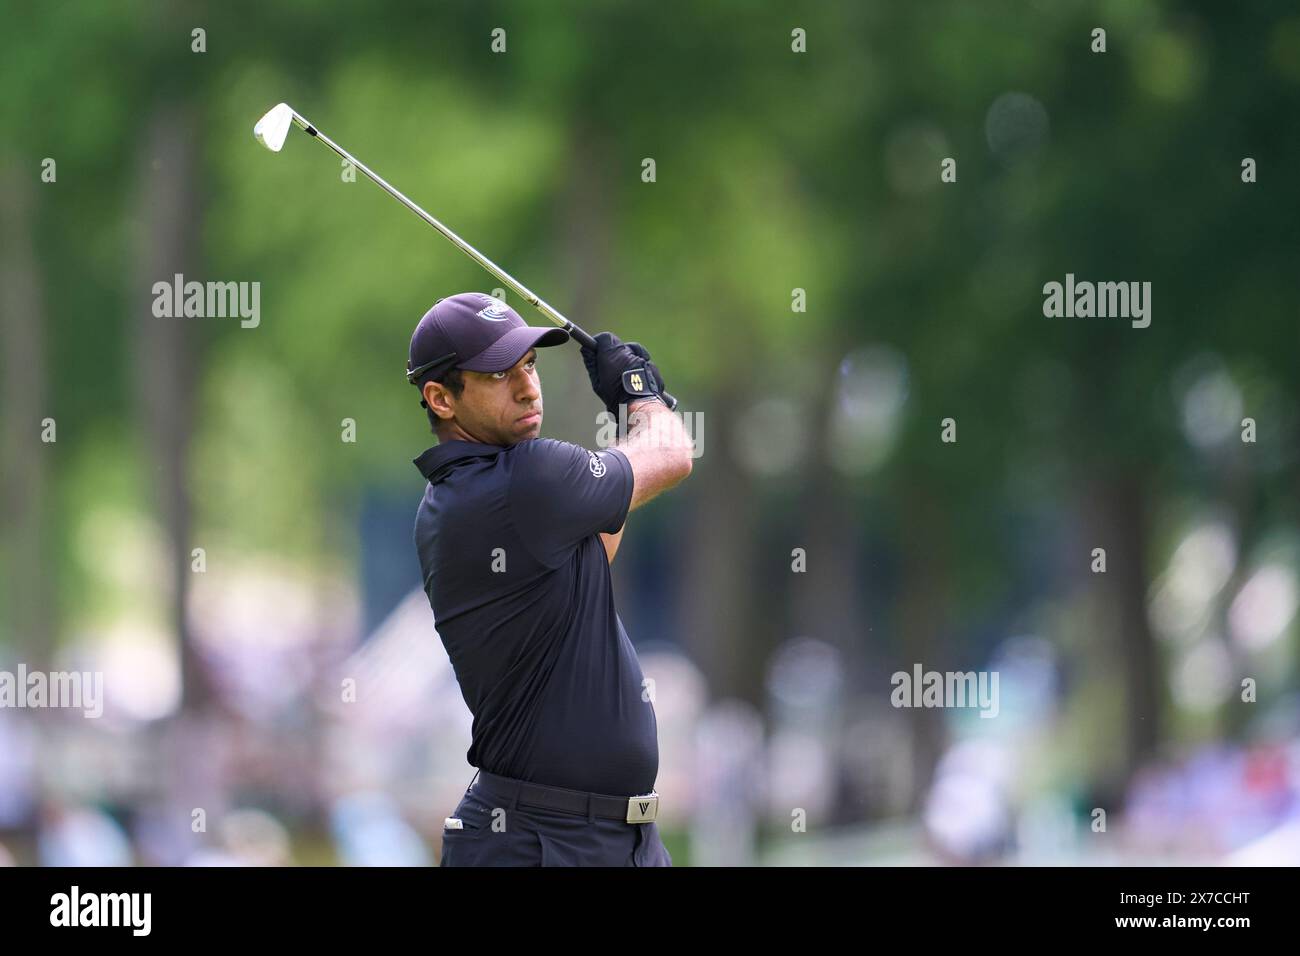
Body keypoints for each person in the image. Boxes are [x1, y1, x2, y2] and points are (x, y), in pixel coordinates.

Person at [407, 292, 693, 866]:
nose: (527, 388)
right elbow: (672, 455)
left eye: (530, 365)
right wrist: (640, 397)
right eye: (498, 374)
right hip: (542, 840)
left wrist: (631, 417)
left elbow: (596, 544)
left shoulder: (471, 496)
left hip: (607, 839)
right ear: (441, 398)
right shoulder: (523, 481)